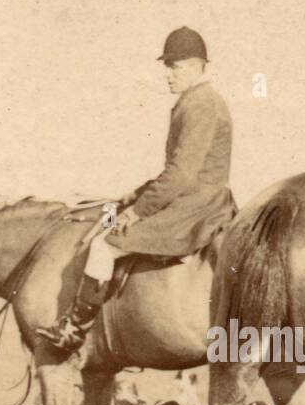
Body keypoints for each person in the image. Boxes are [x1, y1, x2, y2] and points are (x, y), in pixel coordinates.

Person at [37, 26, 235, 354]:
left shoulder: (200, 103)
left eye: (175, 66)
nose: (167, 75)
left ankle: (75, 328)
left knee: (103, 245)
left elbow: (182, 175)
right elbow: (180, 169)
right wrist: (136, 193)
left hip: (196, 205)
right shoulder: (200, 101)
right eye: (167, 67)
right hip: (200, 197)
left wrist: (136, 211)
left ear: (198, 66)